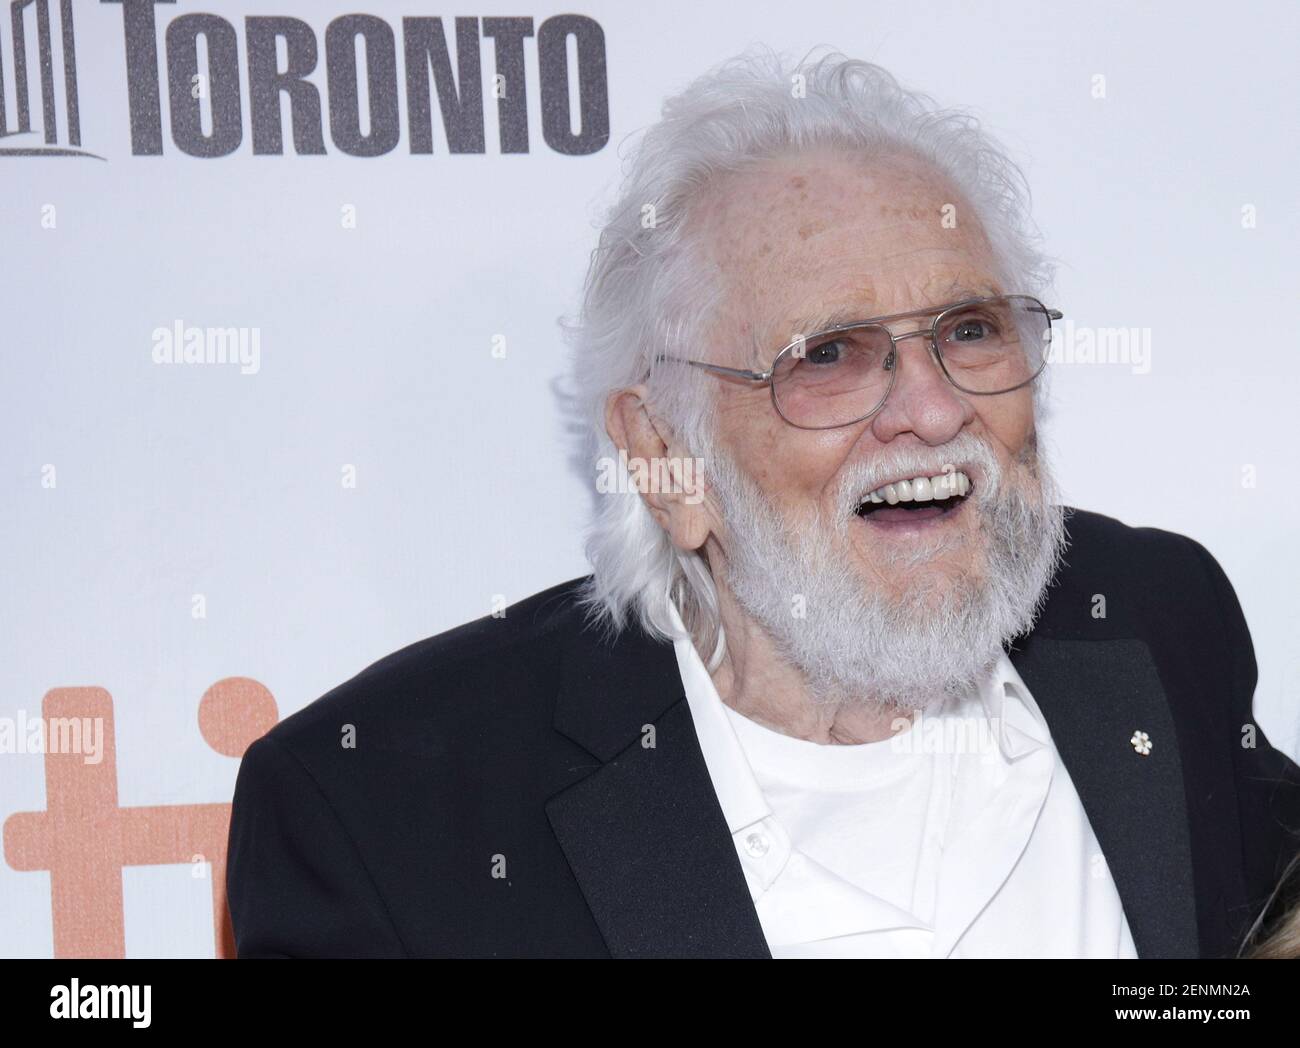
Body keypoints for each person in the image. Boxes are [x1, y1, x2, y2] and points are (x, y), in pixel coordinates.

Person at [226, 46, 1300, 958]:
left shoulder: (1153, 616)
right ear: (664, 456)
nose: (930, 409)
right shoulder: (384, 812)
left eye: (970, 329)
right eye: (827, 355)